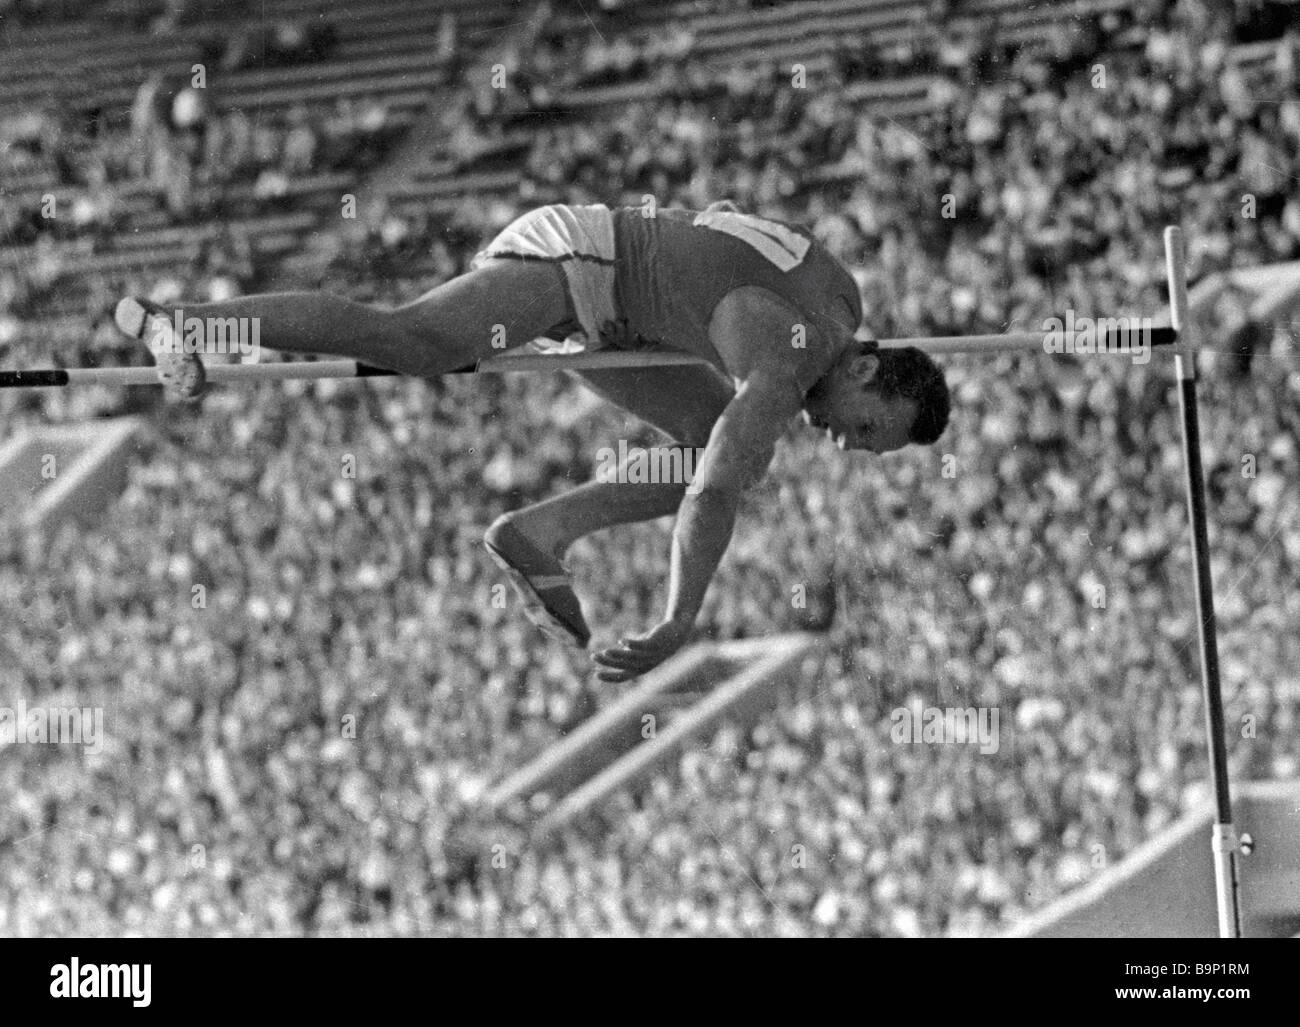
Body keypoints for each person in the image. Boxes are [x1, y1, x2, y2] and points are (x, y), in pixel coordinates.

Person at [113, 201, 950, 680]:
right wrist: (679, 616)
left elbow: (734, 223)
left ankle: (541, 533)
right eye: (865, 431)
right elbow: (715, 495)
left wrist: (681, 290)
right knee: (415, 342)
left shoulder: (843, 301)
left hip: (623, 307)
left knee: (707, 441)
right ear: (870, 374)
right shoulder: (782, 368)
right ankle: (179, 322)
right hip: (580, 261)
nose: (844, 443)